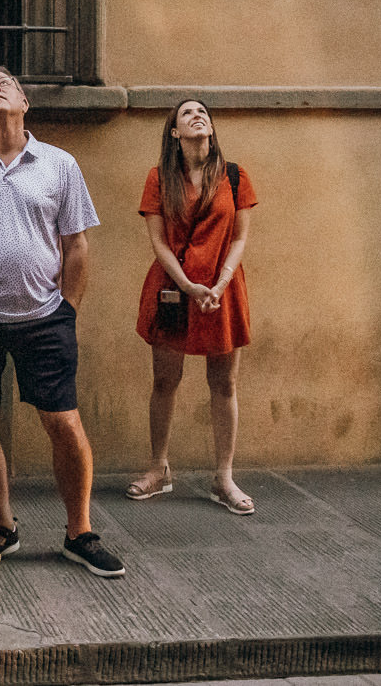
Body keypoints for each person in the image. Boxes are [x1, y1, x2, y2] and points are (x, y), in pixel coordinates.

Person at [0, 67, 126, 579]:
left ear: (24, 102)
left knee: (63, 421)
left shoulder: (60, 165)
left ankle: (79, 533)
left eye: (4, 83)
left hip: (44, 317)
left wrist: (68, 309)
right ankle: (2, 526)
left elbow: (77, 245)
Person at [127, 99, 257, 514]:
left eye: (202, 112)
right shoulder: (158, 178)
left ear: (211, 127)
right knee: (165, 381)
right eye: (186, 114)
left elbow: (238, 238)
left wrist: (219, 282)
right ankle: (158, 469)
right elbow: (159, 241)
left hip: (223, 290)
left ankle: (224, 477)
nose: (197, 116)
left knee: (224, 384)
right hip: (171, 290)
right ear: (174, 133)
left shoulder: (234, 177)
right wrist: (186, 285)